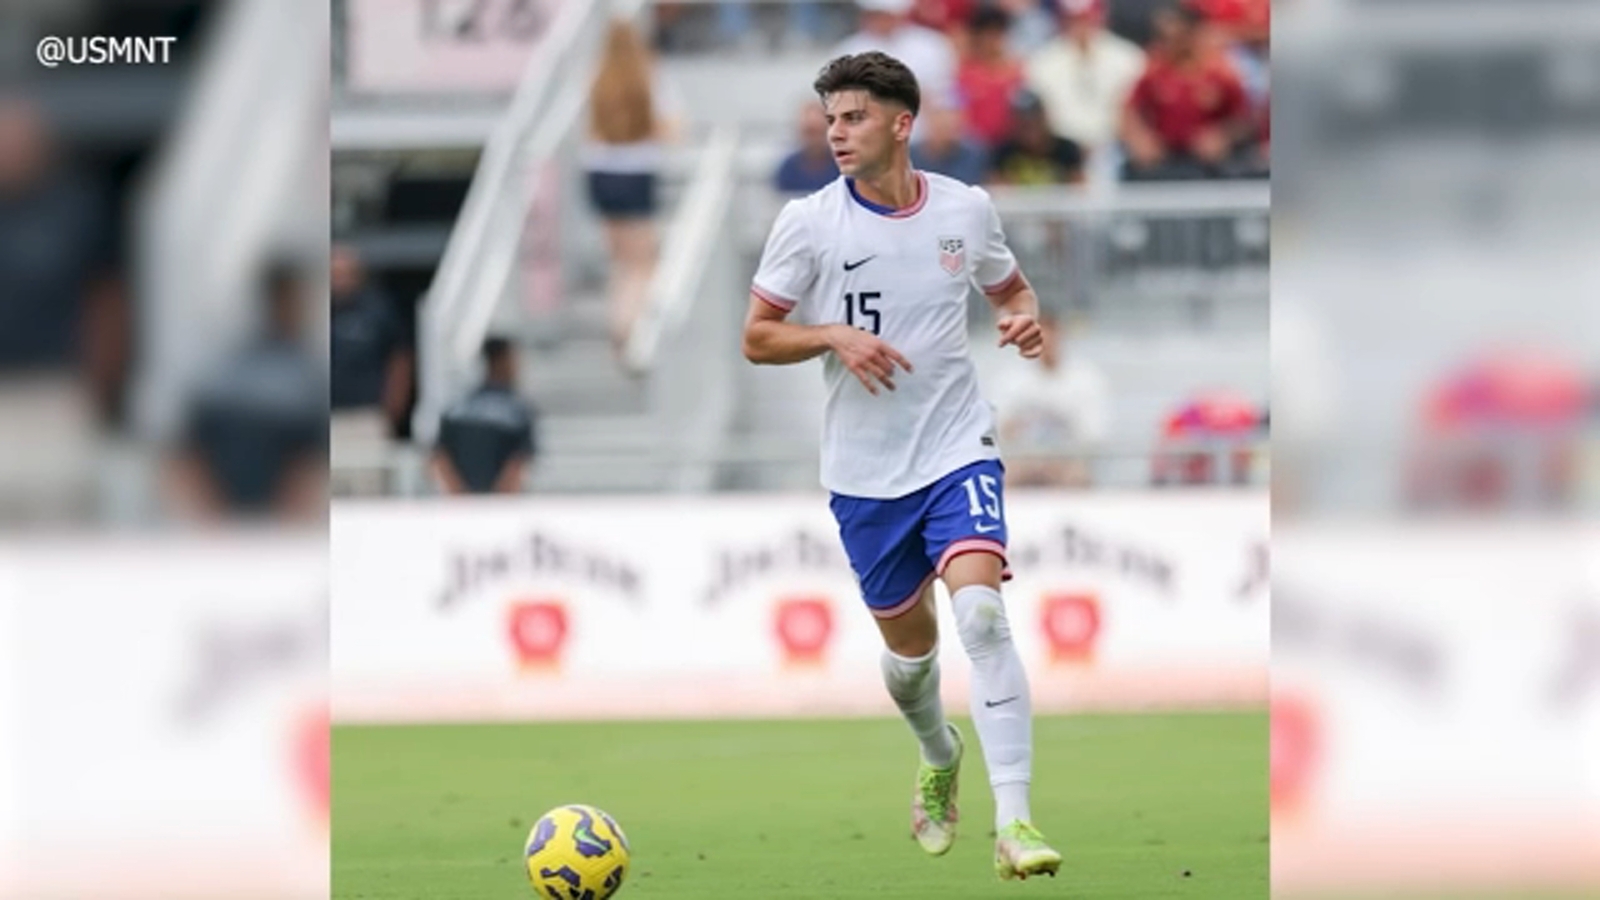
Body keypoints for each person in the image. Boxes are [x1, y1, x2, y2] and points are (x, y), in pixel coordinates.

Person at [741, 51, 1062, 880]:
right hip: (864, 473)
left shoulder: (967, 209)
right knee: (911, 659)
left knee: (984, 618)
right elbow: (757, 336)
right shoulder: (809, 222)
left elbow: (1013, 293)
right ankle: (936, 748)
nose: (834, 131)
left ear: (900, 123)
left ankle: (1017, 822)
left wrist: (1026, 322)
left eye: (851, 117)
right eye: (830, 118)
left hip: (958, 447)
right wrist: (831, 335)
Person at [168, 258, 327, 521]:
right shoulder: (229, 367)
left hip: (281, 521)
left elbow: (308, 463)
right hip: (223, 517)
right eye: (289, 301)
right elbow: (190, 449)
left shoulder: (308, 374)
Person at [583, 18, 680, 355]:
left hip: (600, 172)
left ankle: (618, 320)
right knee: (641, 263)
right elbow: (667, 126)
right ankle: (627, 327)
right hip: (635, 172)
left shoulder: (598, 78)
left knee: (620, 261)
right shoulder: (649, 75)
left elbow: (590, 129)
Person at [1119, 2, 1253, 181]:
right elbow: (1129, 109)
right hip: (1164, 158)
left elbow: (1244, 120)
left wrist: (1222, 136)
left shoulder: (1220, 72)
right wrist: (1140, 138)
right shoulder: (1156, 70)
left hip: (1206, 163)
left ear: (1191, 35)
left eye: (1175, 37)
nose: (1167, 43)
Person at [991, 310, 1108, 487]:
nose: (1046, 343)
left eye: (1050, 335)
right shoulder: (1011, 379)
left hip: (1067, 460)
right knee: (1002, 478)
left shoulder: (1085, 378)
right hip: (1023, 460)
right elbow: (999, 428)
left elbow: (1093, 434)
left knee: (1078, 476)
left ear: (1060, 336)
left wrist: (1056, 458)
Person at [329, 243, 411, 494]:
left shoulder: (377, 310)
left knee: (368, 492)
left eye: (345, 273)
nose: (339, 280)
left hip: (365, 418)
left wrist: (391, 409)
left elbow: (401, 358)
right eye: (334, 273)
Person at [1023, 0, 1146, 164]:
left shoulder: (1128, 57)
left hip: (1116, 147)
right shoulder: (1042, 61)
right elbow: (1044, 117)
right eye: (1073, 20)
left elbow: (1132, 112)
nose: (1081, 28)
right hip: (1062, 151)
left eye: (1086, 20)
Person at [432, 337, 539, 496]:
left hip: (462, 506)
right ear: (501, 361)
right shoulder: (517, 410)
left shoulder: (458, 406)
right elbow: (519, 461)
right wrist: (496, 502)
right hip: (497, 506)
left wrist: (459, 496)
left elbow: (439, 457)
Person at [986, 88, 1085, 185]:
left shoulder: (1067, 150)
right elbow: (997, 189)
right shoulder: (1003, 153)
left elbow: (1079, 189)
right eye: (1023, 123)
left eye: (1035, 119)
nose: (1030, 126)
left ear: (1044, 117)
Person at [910, 95, 988, 185]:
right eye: (939, 121)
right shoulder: (909, 154)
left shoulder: (974, 155)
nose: (944, 126)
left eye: (949, 123)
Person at [774, 101, 840, 194]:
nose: (814, 139)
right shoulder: (788, 168)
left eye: (819, 132)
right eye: (810, 132)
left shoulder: (842, 166)